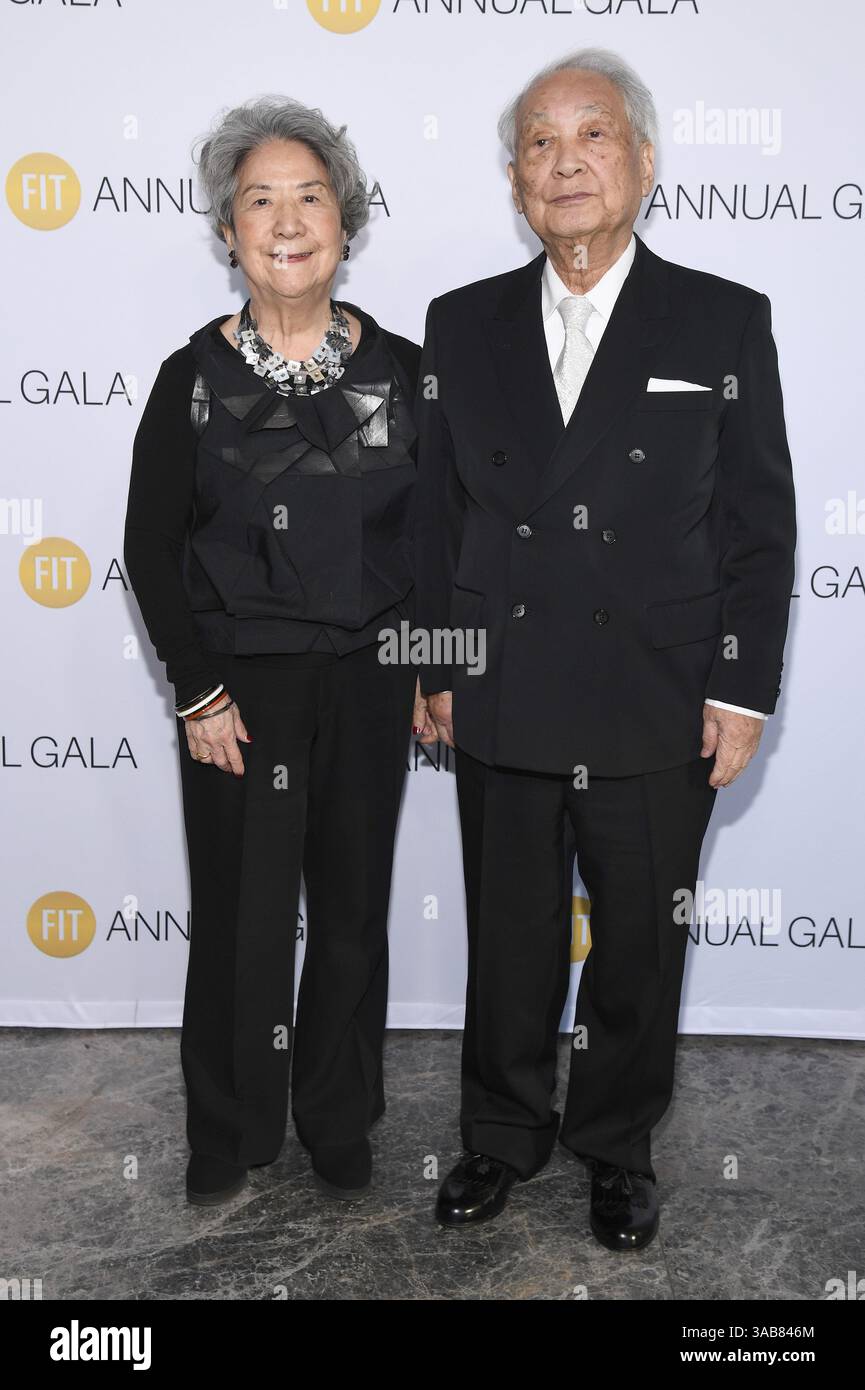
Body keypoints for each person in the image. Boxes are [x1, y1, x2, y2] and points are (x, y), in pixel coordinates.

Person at [413, 48, 796, 1250]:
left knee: (637, 938)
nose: (565, 160)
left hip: (659, 690)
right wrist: (434, 662)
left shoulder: (722, 317)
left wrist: (740, 687)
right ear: (517, 180)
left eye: (590, 135)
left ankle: (615, 1144)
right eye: (539, 142)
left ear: (640, 159)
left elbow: (758, 521)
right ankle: (501, 1132)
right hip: (508, 687)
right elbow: (436, 514)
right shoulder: (460, 323)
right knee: (512, 931)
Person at [124, 95, 431, 1207]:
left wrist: (432, 668)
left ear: (344, 224)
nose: (288, 219)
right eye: (261, 200)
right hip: (237, 692)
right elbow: (150, 546)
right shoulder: (190, 381)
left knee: (351, 913)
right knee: (243, 919)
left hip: (365, 682)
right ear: (228, 232)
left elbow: (435, 538)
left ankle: (338, 1118)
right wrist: (197, 689)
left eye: (310, 197)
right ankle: (230, 1125)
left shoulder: (403, 372)